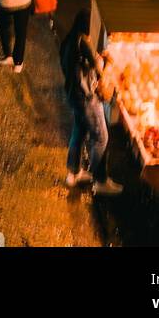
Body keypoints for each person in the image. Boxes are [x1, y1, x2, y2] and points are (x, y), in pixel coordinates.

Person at [61, 11, 123, 194]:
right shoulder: (83, 41)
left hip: (73, 95)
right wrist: (106, 62)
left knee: (79, 132)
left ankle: (73, 173)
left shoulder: (69, 40)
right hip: (86, 97)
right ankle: (100, 181)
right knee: (101, 137)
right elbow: (98, 70)